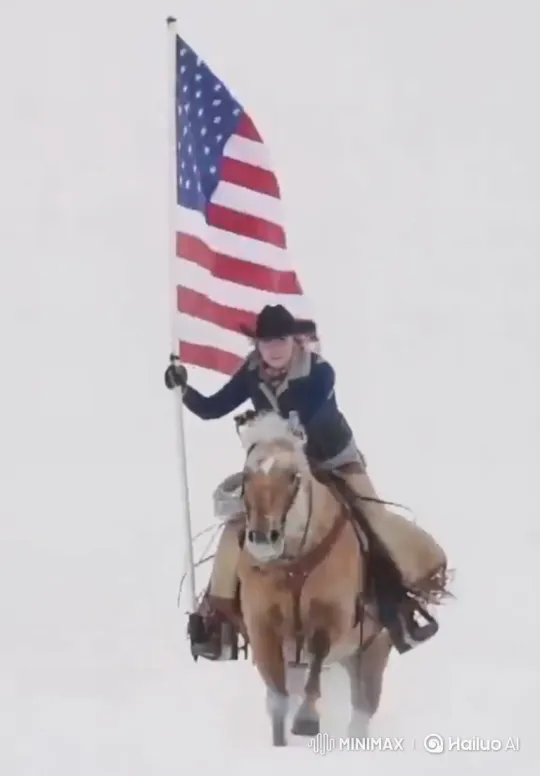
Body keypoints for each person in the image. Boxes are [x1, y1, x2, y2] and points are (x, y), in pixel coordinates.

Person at [165, 305, 446, 658]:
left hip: (332, 461)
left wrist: (269, 426)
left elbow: (307, 416)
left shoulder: (319, 372)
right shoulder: (251, 372)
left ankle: (398, 608)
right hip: (281, 472)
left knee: (373, 519)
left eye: (281, 340)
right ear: (257, 345)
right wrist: (184, 388)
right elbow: (211, 408)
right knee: (236, 528)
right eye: (266, 342)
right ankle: (218, 623)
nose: (274, 348)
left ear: (295, 340)